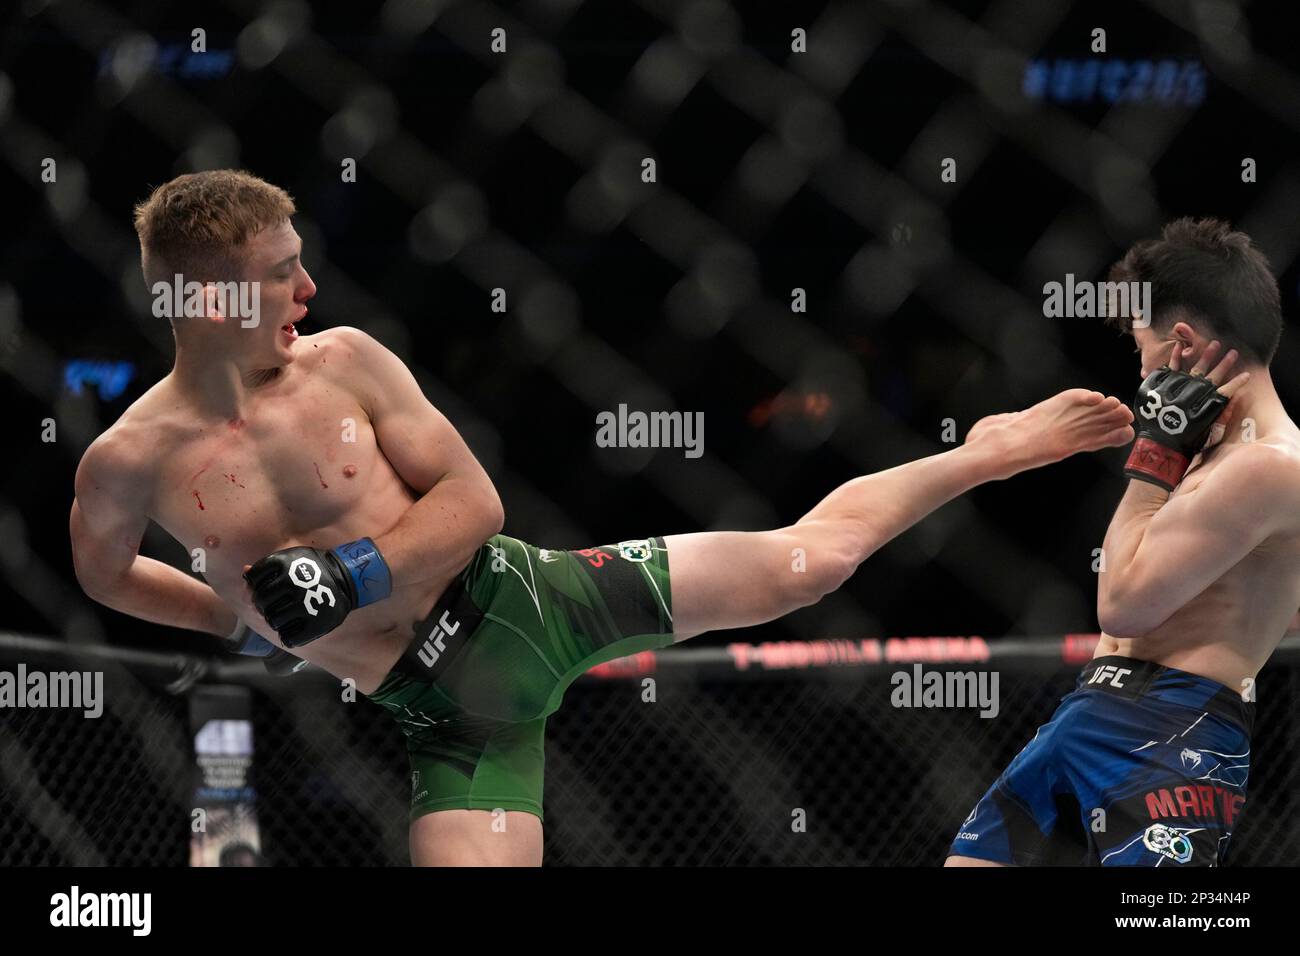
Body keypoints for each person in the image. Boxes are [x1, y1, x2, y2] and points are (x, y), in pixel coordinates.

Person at [70, 169, 1135, 866]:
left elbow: (471, 501)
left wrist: (348, 572)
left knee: (806, 563)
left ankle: (985, 448)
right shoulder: (128, 461)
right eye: (275, 272)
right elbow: (104, 574)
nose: (307, 284)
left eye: (299, 257)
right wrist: (226, 617)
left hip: (523, 598)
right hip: (445, 717)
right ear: (204, 299)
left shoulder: (343, 362)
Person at [947, 218, 1300, 866]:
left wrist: (1152, 460)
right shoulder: (1211, 454)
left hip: (1174, 731)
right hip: (1089, 706)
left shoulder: (1269, 465)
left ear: (1183, 345)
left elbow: (1124, 603)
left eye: (1141, 348)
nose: (1140, 374)